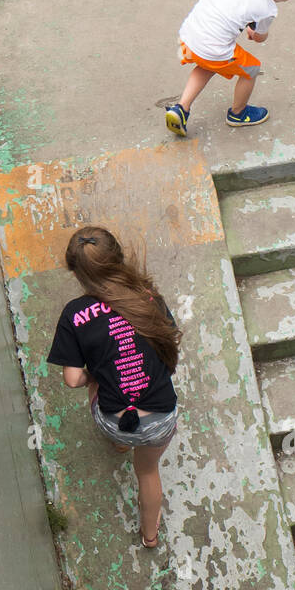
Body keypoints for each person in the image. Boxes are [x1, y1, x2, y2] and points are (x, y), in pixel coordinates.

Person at [46, 226, 180, 549]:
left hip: (113, 421)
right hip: (160, 418)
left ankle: (120, 444)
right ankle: (150, 536)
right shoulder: (149, 298)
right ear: (118, 259)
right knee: (148, 472)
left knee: (102, 380)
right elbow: (168, 343)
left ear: (77, 274)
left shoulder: (74, 315)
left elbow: (73, 379)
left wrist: (95, 375)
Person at [138, 0, 295, 133]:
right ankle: (238, 113)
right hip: (213, 48)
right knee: (252, 69)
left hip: (189, 35)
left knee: (207, 64)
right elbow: (259, 37)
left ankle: (181, 109)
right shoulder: (267, 8)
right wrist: (254, 31)